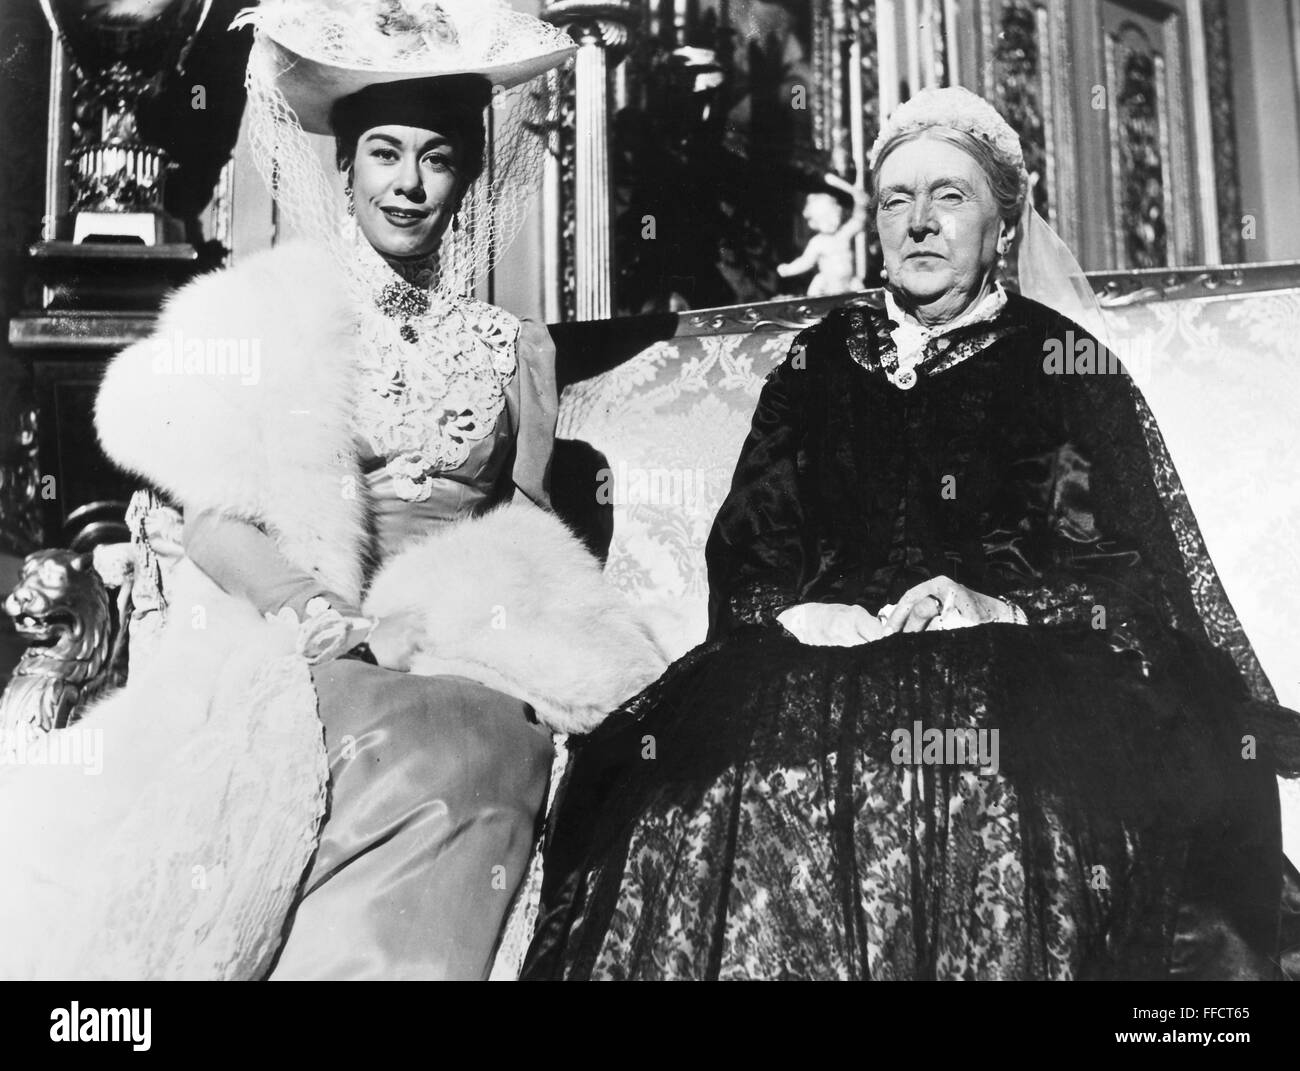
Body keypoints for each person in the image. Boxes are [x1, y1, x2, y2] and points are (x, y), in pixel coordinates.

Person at [522, 86, 1300, 981]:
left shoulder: (1059, 363)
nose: (920, 223)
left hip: (1024, 669)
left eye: (950, 197)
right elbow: (750, 538)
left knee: (1001, 795)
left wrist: (998, 603)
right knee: (700, 800)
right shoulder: (819, 360)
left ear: (1003, 224)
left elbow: (1119, 567)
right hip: (813, 659)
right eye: (897, 199)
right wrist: (796, 613)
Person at [0, 0, 665, 981]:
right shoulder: (278, 321)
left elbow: (528, 528)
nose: (407, 183)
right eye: (385, 154)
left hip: (455, 638)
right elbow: (217, 521)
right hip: (293, 632)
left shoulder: (507, 348)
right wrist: (312, 606)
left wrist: (482, 625)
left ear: (465, 177)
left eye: (435, 157)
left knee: (480, 730)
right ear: (346, 171)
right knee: (398, 733)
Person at [776, 173, 868, 296]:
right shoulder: (818, 242)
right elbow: (806, 261)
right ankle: (815, 310)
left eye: (833, 216)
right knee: (819, 281)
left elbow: (859, 220)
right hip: (829, 285)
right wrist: (789, 269)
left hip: (848, 282)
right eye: (824, 219)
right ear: (815, 222)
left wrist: (860, 204)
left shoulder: (843, 234)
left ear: (838, 213)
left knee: (858, 286)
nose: (830, 222)